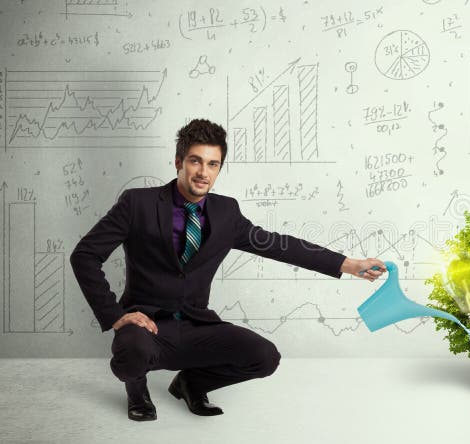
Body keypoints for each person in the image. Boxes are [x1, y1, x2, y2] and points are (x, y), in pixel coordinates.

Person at [69, 119, 386, 421]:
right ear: (179, 161)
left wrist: (348, 264)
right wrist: (114, 315)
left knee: (265, 356)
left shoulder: (226, 212)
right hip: (147, 327)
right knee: (130, 356)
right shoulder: (137, 203)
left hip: (196, 325)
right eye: (195, 161)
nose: (202, 172)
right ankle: (137, 391)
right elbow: (85, 255)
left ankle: (192, 383)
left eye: (212, 164)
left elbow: (278, 244)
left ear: (219, 168)